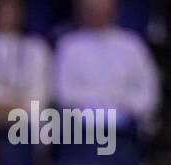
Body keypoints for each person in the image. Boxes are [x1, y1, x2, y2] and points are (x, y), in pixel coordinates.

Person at [53, 0, 160, 130]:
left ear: (114, 10)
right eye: (92, 9)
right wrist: (107, 100)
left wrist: (123, 106)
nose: (98, 13)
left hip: (124, 126)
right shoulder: (68, 45)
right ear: (82, 11)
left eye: (103, 9)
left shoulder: (132, 44)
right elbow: (63, 93)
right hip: (80, 126)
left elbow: (148, 92)